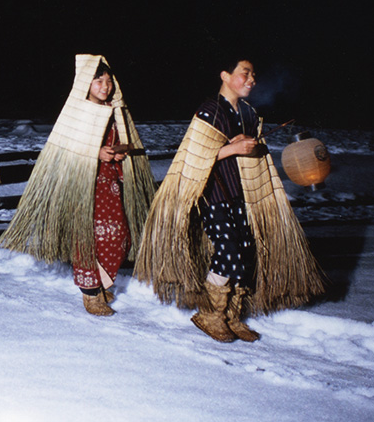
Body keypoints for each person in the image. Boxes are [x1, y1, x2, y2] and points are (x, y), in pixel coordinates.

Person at [134, 57, 324, 342]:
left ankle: (233, 316)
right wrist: (232, 148)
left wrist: (250, 147)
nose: (252, 79)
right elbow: (193, 158)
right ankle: (210, 314)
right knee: (229, 251)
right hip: (213, 192)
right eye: (245, 73)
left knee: (245, 251)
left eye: (254, 74)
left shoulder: (248, 113)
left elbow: (249, 152)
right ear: (225, 75)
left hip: (242, 192)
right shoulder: (209, 111)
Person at [0, 55, 156, 316]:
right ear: (86, 83)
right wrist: (96, 152)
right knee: (87, 237)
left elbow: (119, 142)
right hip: (83, 184)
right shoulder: (77, 113)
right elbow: (65, 149)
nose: (105, 86)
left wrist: (118, 153)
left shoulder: (115, 112)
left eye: (108, 81)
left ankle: (101, 282)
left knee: (119, 236)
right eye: (98, 81)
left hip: (109, 182)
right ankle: (90, 292)